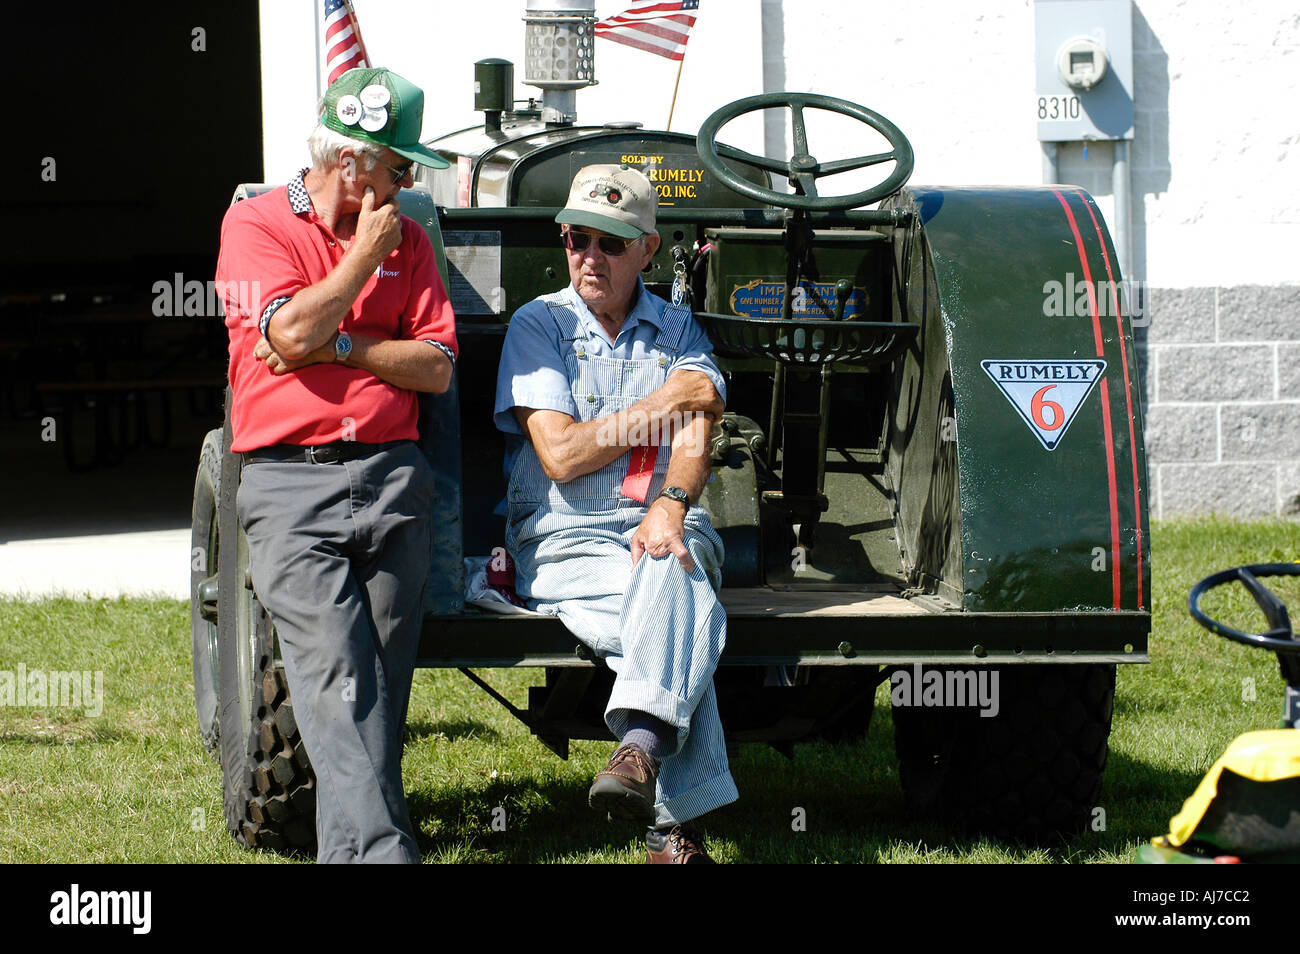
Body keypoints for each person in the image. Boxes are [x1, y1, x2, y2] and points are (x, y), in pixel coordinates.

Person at [215, 67, 457, 863]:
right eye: (399, 167)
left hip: (393, 474)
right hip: (291, 482)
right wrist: (359, 263)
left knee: (377, 691)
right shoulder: (255, 227)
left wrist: (345, 345)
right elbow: (285, 337)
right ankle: (387, 854)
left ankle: (345, 855)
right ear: (352, 162)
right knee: (336, 681)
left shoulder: (412, 241)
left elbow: (435, 368)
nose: (409, 183)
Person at [494, 164, 735, 864]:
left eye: (610, 243)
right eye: (576, 239)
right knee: (678, 614)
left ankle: (638, 750)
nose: (589, 257)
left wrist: (671, 502)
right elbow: (563, 455)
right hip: (565, 541)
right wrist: (661, 404)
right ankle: (671, 829)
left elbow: (698, 435)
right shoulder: (539, 324)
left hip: (668, 522)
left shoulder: (678, 326)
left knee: (673, 562)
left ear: (647, 250)